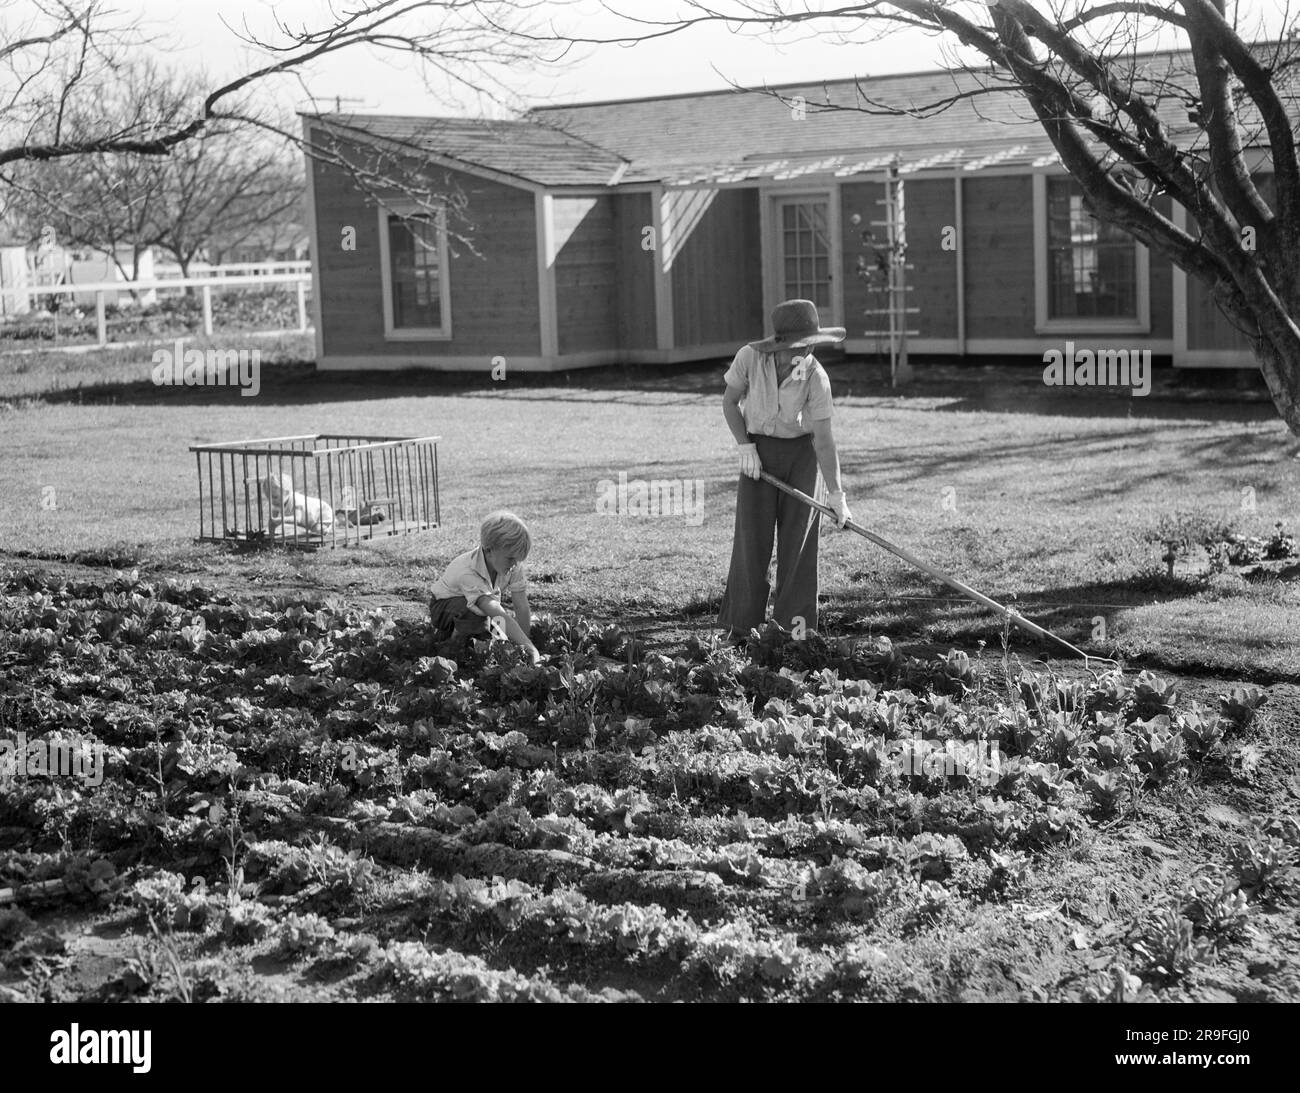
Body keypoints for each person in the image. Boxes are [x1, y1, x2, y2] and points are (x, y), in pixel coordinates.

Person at [719, 299, 853, 641]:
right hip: (758, 454)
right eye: (798, 345)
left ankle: (793, 634)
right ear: (779, 345)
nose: (804, 352)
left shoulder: (816, 377)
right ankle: (739, 630)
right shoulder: (749, 358)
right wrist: (744, 444)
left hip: (802, 456)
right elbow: (729, 402)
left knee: (799, 544)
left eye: (808, 345)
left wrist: (837, 494)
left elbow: (823, 440)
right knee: (751, 540)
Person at [429, 510, 541, 664]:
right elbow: (494, 610)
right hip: (443, 607)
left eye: (518, 559)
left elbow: (521, 606)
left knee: (498, 634)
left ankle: (477, 639)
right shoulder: (468, 572)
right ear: (489, 550)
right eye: (510, 558)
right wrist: (529, 647)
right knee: (477, 616)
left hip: (482, 605)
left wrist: (525, 645)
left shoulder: (512, 565)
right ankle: (453, 648)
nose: (515, 564)